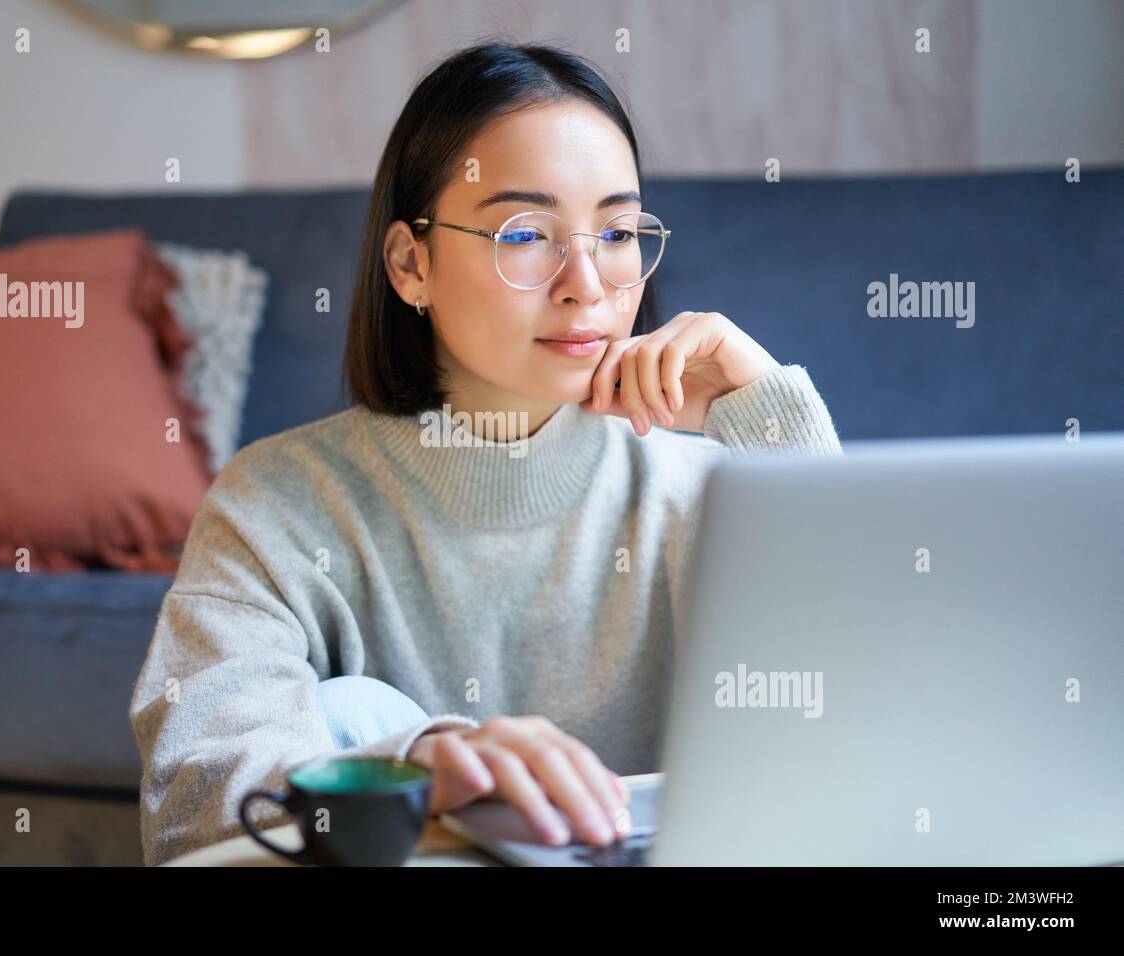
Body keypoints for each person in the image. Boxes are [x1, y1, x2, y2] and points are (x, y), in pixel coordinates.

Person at [129, 40, 842, 867]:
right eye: (525, 232)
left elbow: (883, 721)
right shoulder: (277, 504)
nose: (588, 283)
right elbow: (195, 807)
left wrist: (770, 425)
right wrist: (411, 767)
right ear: (410, 265)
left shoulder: (711, 487)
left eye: (615, 231)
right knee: (349, 709)